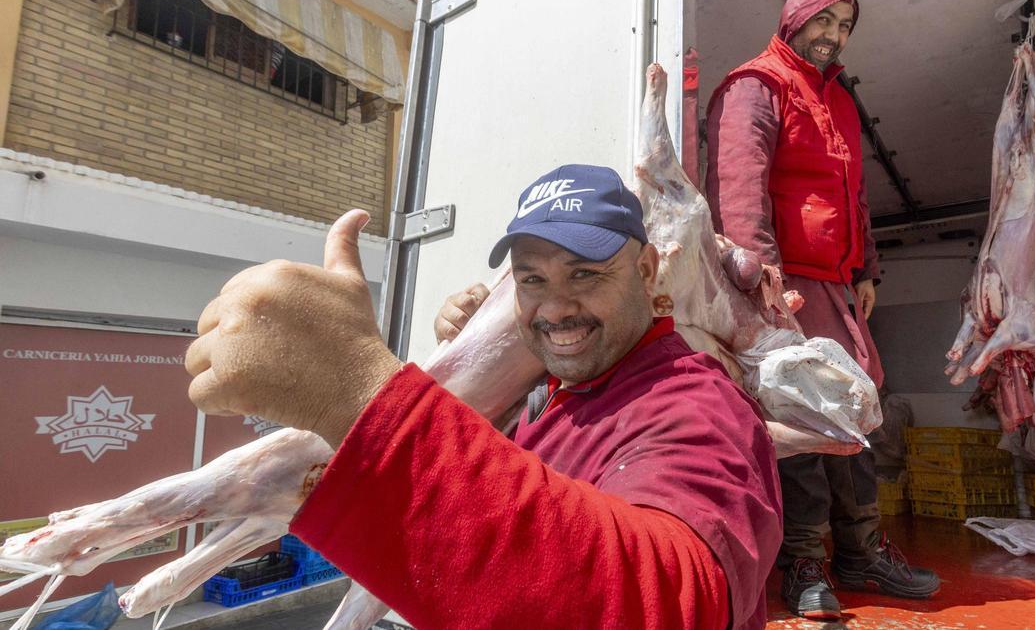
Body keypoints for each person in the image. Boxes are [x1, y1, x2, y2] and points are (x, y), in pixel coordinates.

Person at [185, 164, 783, 629]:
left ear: (649, 271)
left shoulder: (701, 404)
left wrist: (364, 398)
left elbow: (667, 606)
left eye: (585, 274)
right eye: (532, 280)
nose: (555, 308)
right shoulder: (557, 397)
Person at [703, 0, 939, 620]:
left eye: (845, 23)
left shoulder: (837, 96)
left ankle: (863, 551)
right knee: (801, 416)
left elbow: (854, 193)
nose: (834, 33)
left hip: (837, 286)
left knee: (860, 411)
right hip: (784, 288)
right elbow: (738, 188)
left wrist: (866, 269)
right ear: (795, 16)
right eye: (825, 19)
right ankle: (803, 561)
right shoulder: (754, 86)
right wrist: (760, 277)